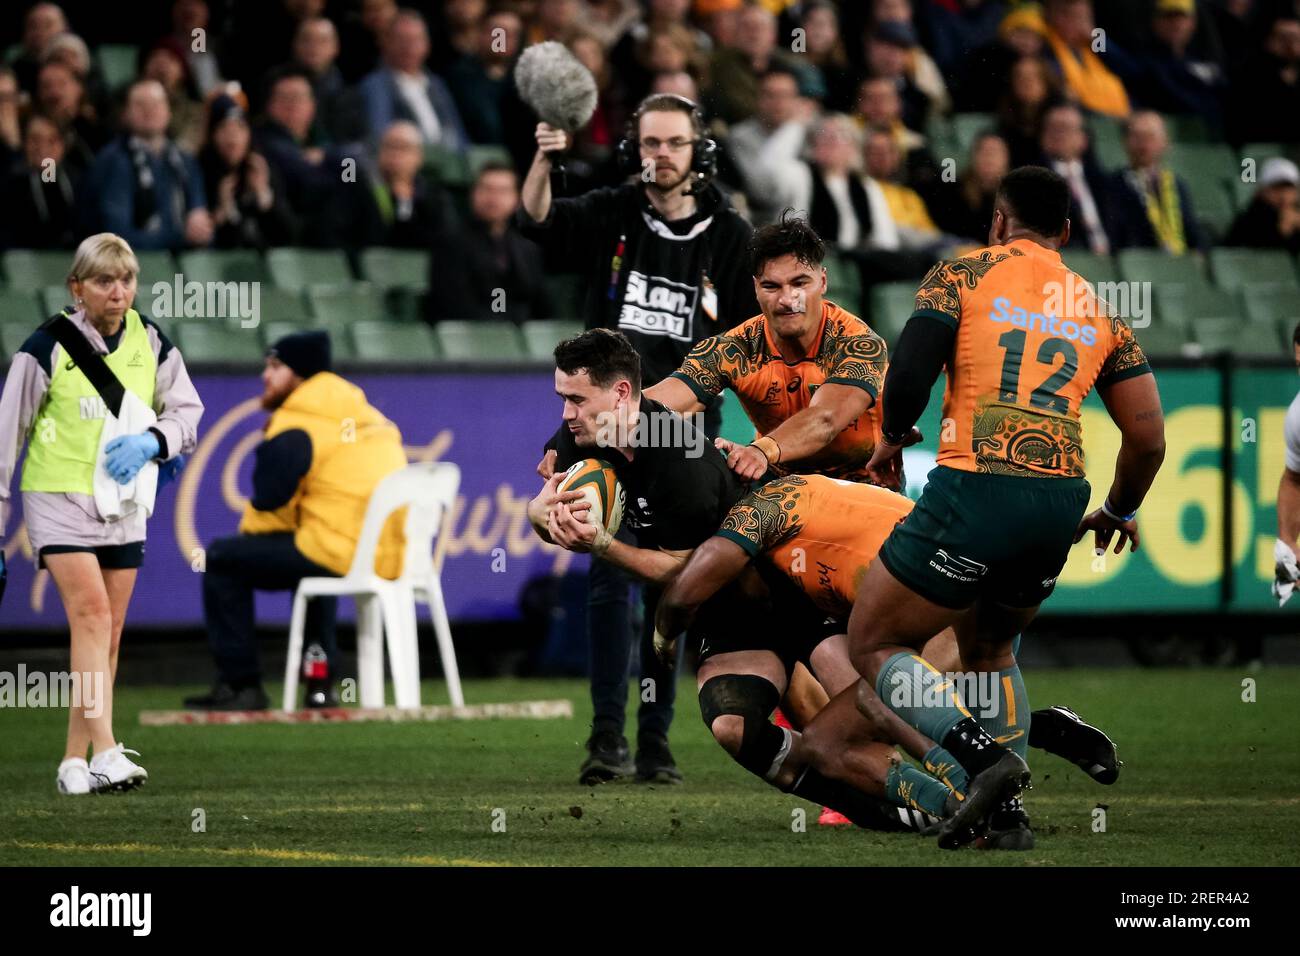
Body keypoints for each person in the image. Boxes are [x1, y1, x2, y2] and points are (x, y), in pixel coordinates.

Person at [846, 166, 1166, 848]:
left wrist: (896, 433)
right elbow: (1148, 439)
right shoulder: (1100, 309)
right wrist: (1115, 509)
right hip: (1060, 499)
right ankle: (1006, 818)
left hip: (976, 484)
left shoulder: (961, 274)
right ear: (1068, 233)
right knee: (990, 647)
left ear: (998, 221)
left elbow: (906, 377)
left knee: (873, 641)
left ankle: (986, 760)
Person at [518, 92, 757, 785]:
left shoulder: (731, 236)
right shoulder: (615, 209)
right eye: (649, 142)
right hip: (608, 429)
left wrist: (760, 440)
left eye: (673, 143)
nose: (659, 155)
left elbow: (747, 345)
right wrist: (543, 156)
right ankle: (605, 741)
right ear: (633, 148)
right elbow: (535, 218)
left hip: (683, 439)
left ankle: (654, 743)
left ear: (699, 151)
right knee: (604, 577)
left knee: (672, 590)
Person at [0, 232, 203, 794]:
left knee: (107, 635)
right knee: (90, 615)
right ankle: (108, 751)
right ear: (77, 287)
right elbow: (4, 438)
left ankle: (73, 761)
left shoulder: (153, 340)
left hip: (123, 503)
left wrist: (156, 442)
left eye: (127, 281)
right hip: (57, 498)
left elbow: (187, 413)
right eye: (104, 282)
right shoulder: (44, 348)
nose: (118, 293)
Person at [185, 331, 408, 711]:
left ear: (300, 375)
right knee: (314, 559)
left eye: (275, 366)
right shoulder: (363, 411)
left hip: (337, 548)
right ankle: (320, 685)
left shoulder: (298, 420)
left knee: (222, 558)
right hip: (385, 555)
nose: (265, 376)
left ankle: (241, 686)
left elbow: (269, 500)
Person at [88, 79, 213, 252]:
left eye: (156, 104)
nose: (149, 111)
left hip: (183, 265)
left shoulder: (185, 162)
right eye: (140, 105)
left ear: (169, 111)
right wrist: (180, 237)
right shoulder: (113, 161)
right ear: (125, 114)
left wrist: (201, 229)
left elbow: (200, 220)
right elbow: (116, 239)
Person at [428, 161, 550, 324]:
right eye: (486, 189)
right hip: (470, 335)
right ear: (473, 194)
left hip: (517, 335)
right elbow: (454, 304)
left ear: (517, 199)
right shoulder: (451, 242)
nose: (493, 198)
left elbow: (539, 304)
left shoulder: (527, 248)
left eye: (503, 191)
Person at [356, 8, 468, 151]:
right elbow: (379, 135)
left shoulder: (436, 84)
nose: (410, 47)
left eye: (417, 40)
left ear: (427, 45)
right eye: (403, 40)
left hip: (448, 161)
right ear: (386, 42)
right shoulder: (375, 85)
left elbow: (459, 135)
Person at [198, 94, 300, 249]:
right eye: (224, 128)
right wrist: (224, 213)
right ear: (212, 135)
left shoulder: (260, 168)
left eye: (239, 127)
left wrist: (264, 196)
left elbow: (289, 236)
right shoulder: (200, 171)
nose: (232, 136)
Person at [1106, 111, 1205, 254]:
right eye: (1137, 137)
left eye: (1150, 137)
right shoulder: (1114, 185)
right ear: (1125, 141)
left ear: (1165, 142)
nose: (1143, 144)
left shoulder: (1177, 184)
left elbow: (1192, 233)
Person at [1224, 158, 1300, 254]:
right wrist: (1282, 232)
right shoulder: (1249, 221)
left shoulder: (1296, 219)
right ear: (1262, 190)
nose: (1283, 196)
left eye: (1288, 189)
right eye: (1276, 189)